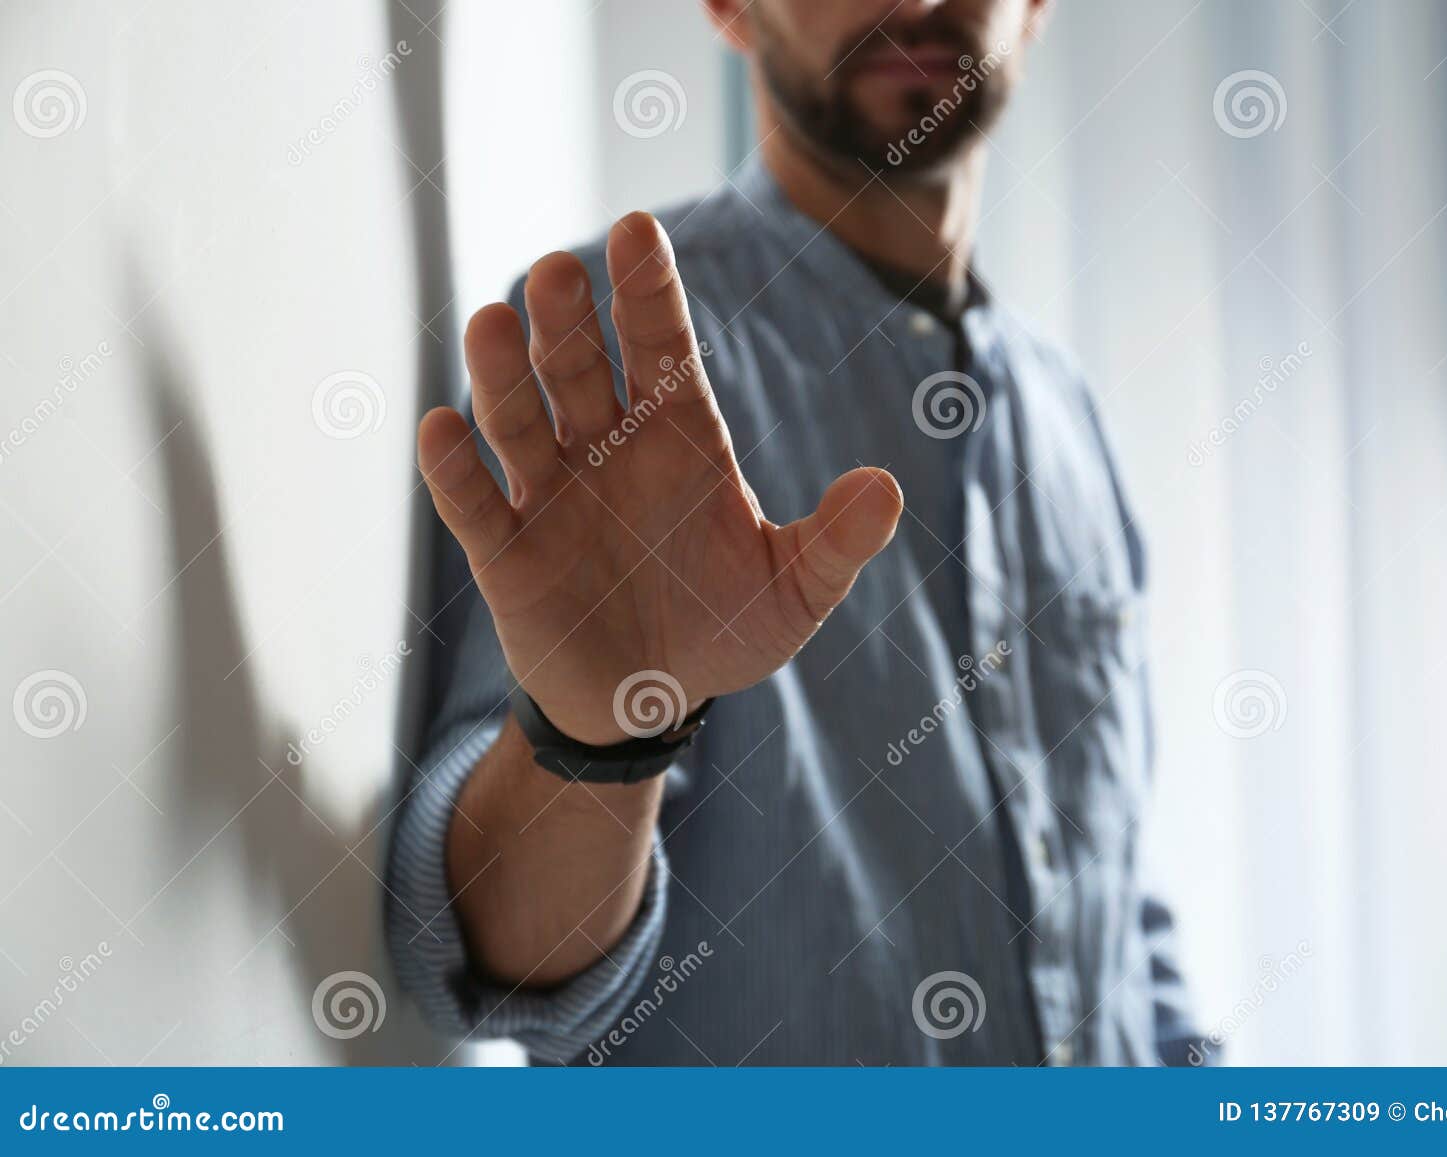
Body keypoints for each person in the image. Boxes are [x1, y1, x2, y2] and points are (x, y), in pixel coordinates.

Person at [385, 0, 1203, 1066]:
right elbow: (492, 959)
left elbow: (1116, 895)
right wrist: (600, 734)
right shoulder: (613, 360)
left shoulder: (1066, 412)